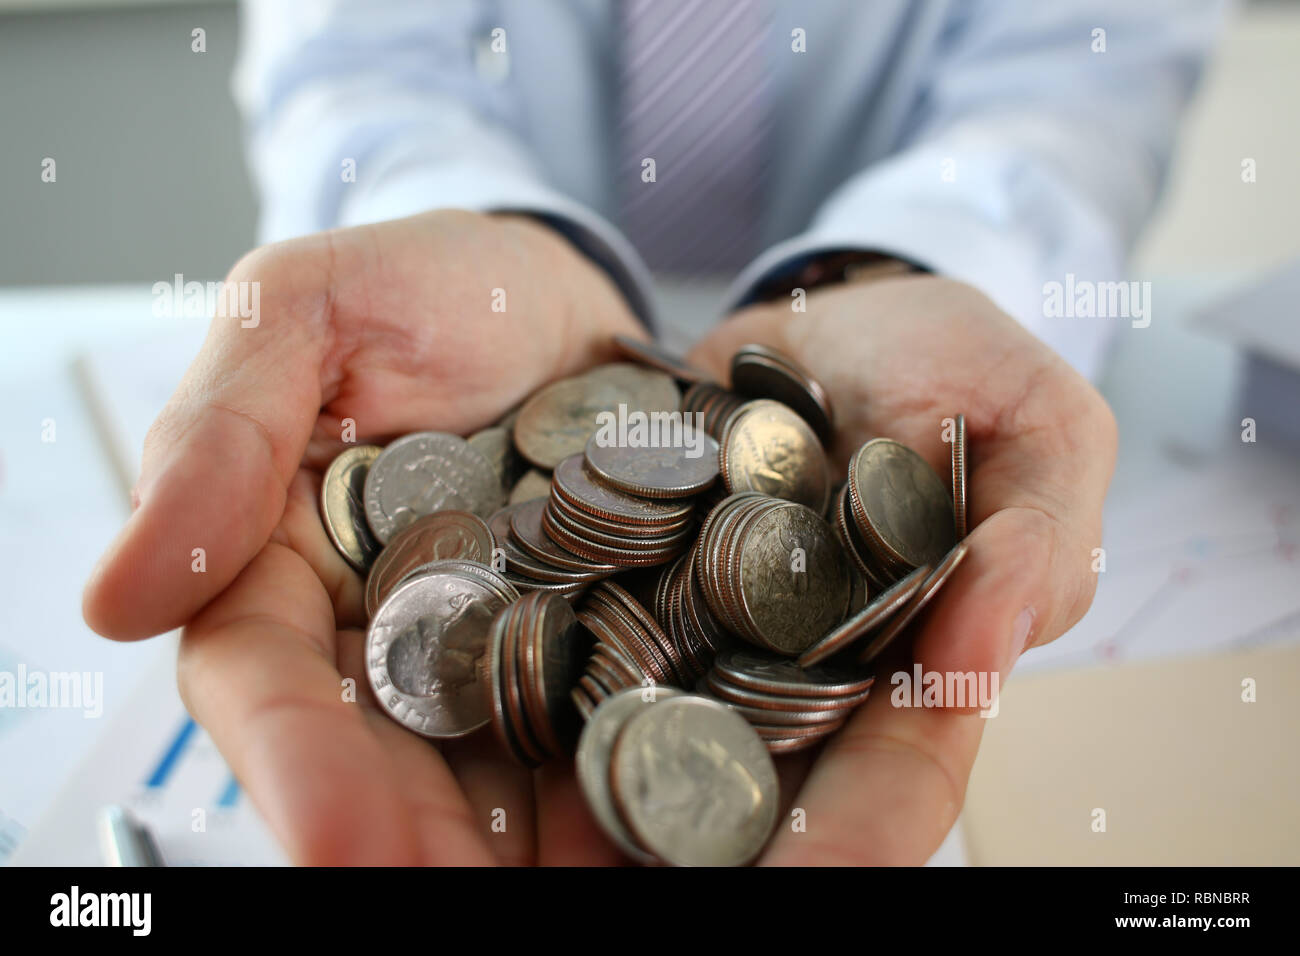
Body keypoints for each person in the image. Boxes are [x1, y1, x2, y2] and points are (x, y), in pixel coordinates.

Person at [83, 0, 1224, 865]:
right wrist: (465, 221)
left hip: (876, 288)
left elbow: (1081, 72)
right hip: (508, 287)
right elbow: (360, 58)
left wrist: (920, 262)